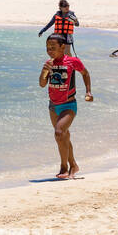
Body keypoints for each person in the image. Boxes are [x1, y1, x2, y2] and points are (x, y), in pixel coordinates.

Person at [39, 34, 93, 180]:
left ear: (63, 47)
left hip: (69, 105)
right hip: (53, 106)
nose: (50, 51)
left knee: (59, 132)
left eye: (53, 48)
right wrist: (44, 70)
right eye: (48, 48)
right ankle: (74, 165)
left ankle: (63, 167)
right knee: (63, 136)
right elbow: (42, 84)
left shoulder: (72, 62)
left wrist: (88, 91)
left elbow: (85, 73)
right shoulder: (48, 63)